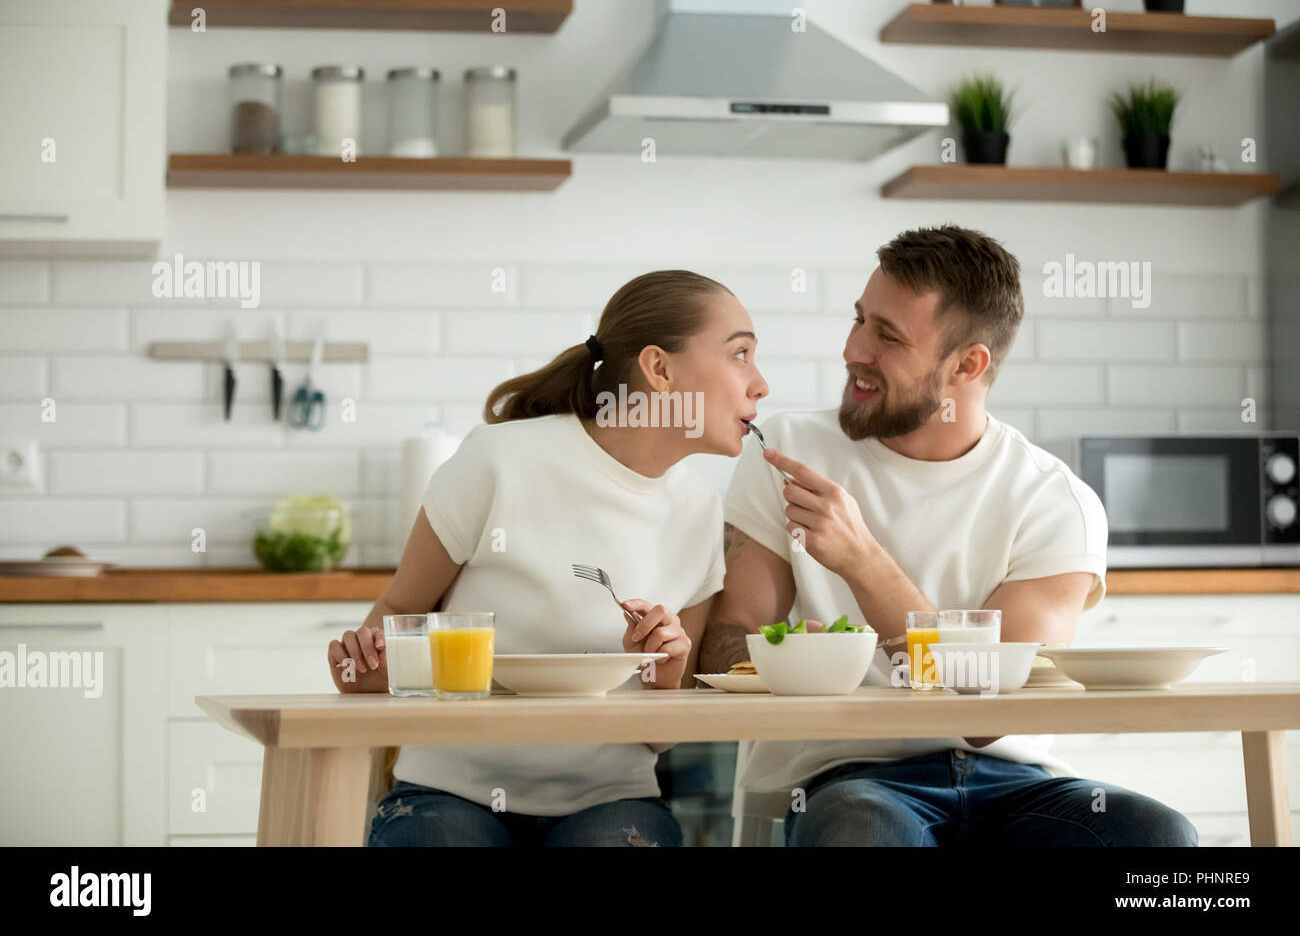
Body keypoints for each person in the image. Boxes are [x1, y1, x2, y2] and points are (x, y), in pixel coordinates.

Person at [700, 224, 1198, 847]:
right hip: (849, 776)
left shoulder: (1053, 499)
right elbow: (725, 643)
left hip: (1014, 781)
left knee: (1159, 836)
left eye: (888, 335)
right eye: (860, 320)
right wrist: (790, 658)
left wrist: (863, 561)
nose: (854, 349)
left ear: (969, 363)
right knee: (867, 827)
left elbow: (986, 713)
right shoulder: (790, 451)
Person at [327, 269, 769, 846]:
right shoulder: (499, 460)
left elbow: (659, 738)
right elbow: (398, 613)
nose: (760, 385)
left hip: (611, 804)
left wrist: (666, 681)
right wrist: (370, 668)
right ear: (660, 370)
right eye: (741, 354)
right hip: (448, 792)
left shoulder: (702, 514)